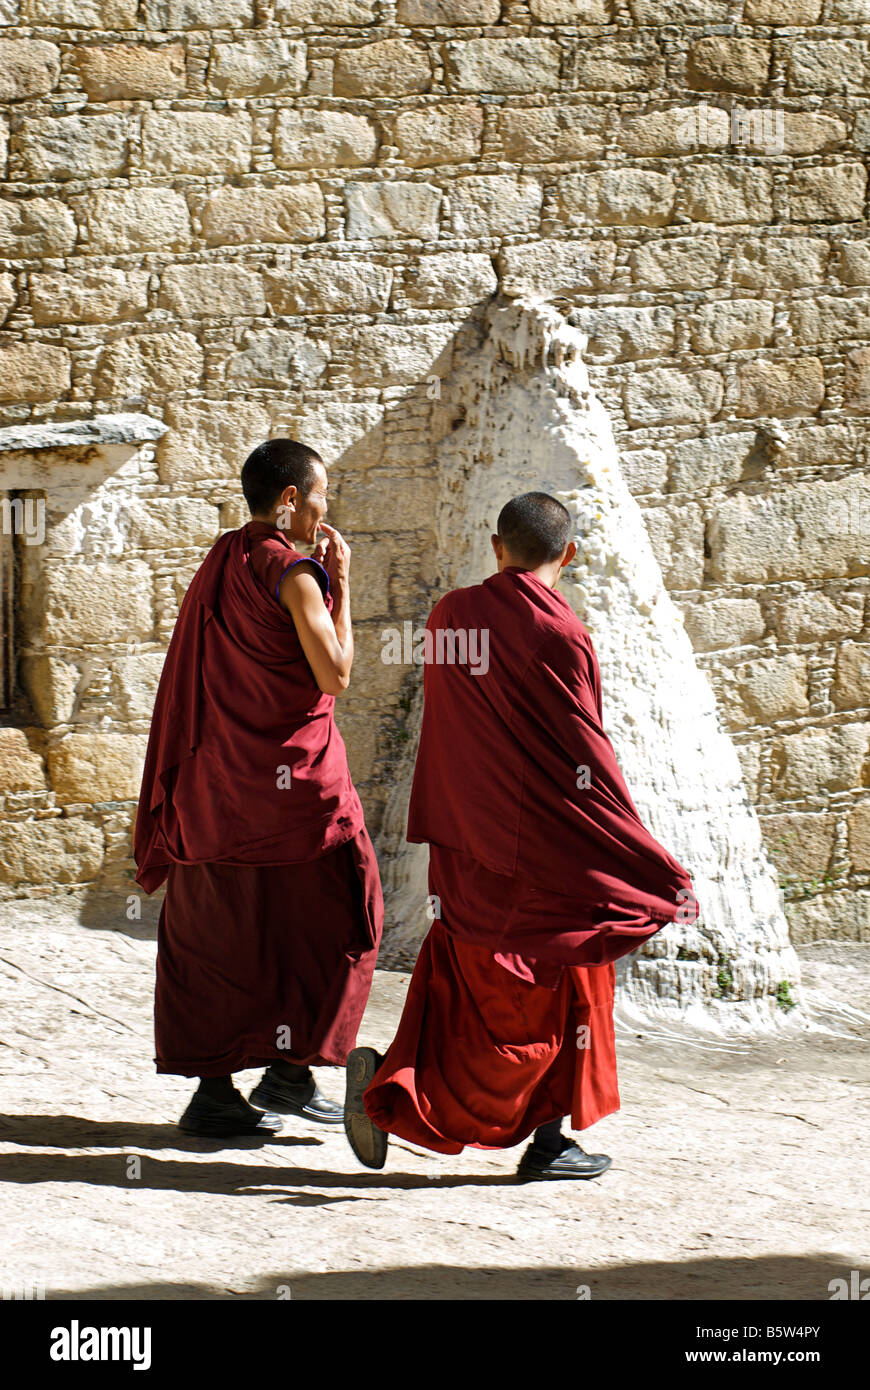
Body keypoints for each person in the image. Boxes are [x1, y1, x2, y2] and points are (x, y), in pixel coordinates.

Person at [345, 492, 698, 1179]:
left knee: (473, 991)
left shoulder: (452, 618)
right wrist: (635, 853)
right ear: (568, 554)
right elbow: (585, 755)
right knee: (569, 991)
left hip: (465, 842)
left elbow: (455, 733)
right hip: (544, 853)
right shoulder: (562, 635)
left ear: (495, 545)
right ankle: (517, 1133)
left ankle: (399, 1080)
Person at [134, 438, 383, 1138]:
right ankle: (288, 1071)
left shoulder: (227, 558)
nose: (328, 508)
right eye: (322, 495)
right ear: (291, 502)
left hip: (215, 792)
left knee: (220, 935)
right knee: (347, 914)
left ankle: (236, 1088)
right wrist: (345, 582)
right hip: (295, 791)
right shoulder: (296, 574)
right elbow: (334, 676)